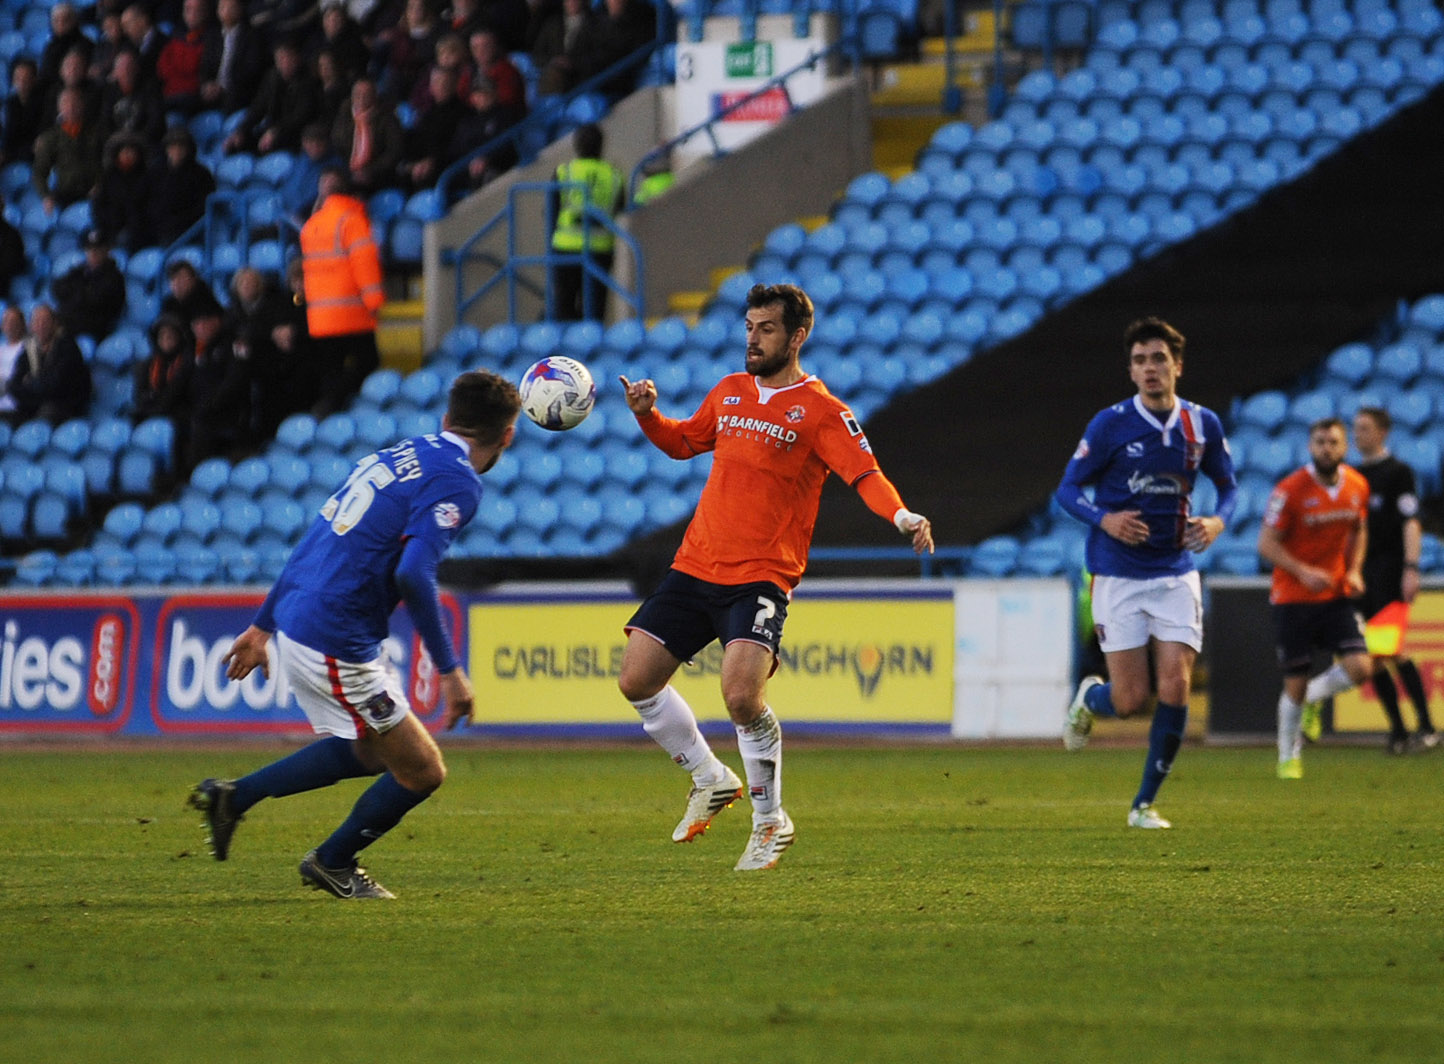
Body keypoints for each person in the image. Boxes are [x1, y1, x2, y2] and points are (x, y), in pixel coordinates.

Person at [616, 283, 934, 871]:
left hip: (761, 575)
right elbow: (685, 442)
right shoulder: (731, 392)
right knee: (635, 680)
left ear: (797, 336)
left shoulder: (823, 411)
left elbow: (864, 474)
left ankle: (770, 821)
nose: (753, 338)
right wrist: (647, 417)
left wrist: (901, 513)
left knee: (740, 696)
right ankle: (710, 778)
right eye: (749, 327)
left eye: (765, 328)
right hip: (696, 564)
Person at [188, 370, 521, 900]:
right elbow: (414, 573)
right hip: (335, 637)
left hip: (306, 619)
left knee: (368, 752)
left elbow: (320, 534)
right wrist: (450, 671)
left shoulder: (399, 453)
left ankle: (233, 797)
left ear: (446, 420)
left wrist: (262, 624)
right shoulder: (459, 480)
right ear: (508, 434)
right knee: (422, 771)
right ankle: (332, 861)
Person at [1058, 317, 1237, 829]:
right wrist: (1104, 518)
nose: (1149, 368)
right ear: (1131, 370)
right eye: (1139, 361)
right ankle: (1091, 698)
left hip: (1176, 572)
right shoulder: (1109, 424)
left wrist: (1218, 520)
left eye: (1158, 359)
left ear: (1177, 366)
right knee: (1130, 701)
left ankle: (1143, 805)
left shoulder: (1202, 424)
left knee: (1176, 685)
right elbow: (1068, 490)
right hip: (1117, 573)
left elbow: (1229, 486)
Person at [1257, 417, 1372, 780]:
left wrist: (1354, 569)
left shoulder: (1357, 485)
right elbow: (1266, 544)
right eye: (1320, 442)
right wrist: (1302, 570)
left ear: (1345, 447)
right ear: (1310, 447)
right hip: (1293, 597)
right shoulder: (1289, 490)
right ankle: (1287, 756)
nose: (1327, 448)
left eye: (1333, 442)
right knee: (1295, 680)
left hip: (1335, 594)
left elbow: (1359, 530)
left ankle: (1313, 699)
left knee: (1361, 668)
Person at [1351, 407, 1439, 754]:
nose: (1358, 435)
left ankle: (1424, 726)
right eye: (1355, 429)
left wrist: (1411, 567)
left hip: (1387, 570)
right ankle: (1401, 731)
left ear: (1383, 432)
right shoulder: (1353, 475)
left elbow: (1410, 521)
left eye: (1365, 429)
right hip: (1360, 572)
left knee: (1388, 649)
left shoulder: (1398, 473)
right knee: (1369, 653)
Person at [301, 167, 384, 417]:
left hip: (319, 316)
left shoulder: (311, 225)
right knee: (368, 363)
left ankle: (328, 411)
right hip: (351, 314)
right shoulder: (352, 221)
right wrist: (375, 302)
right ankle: (342, 408)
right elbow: (365, 265)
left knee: (331, 370)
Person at [549, 122, 623, 322]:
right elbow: (620, 210)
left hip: (565, 248)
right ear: (601, 146)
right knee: (595, 310)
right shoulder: (615, 175)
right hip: (600, 250)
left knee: (564, 308)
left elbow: (551, 211)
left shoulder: (564, 172)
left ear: (576, 146)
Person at [5, 303, 92, 425]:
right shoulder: (29, 349)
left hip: (63, 407)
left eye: (45, 321)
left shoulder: (67, 347)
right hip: (32, 405)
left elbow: (56, 384)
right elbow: (14, 384)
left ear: (55, 324)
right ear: (32, 326)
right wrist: (34, 387)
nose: (41, 326)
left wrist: (30, 381)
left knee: (46, 414)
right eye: (37, 322)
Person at [31, 86, 104, 212]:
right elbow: (40, 171)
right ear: (59, 107)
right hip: (64, 194)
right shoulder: (51, 137)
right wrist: (46, 196)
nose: (71, 107)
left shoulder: (98, 133)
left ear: (82, 105)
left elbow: (107, 163)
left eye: (75, 102)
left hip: (94, 193)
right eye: (66, 103)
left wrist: (100, 185)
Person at [332, 77, 406, 196]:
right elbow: (337, 141)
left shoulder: (388, 119)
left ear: (374, 96)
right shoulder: (345, 114)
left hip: (377, 173)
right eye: (358, 94)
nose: (361, 98)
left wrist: (370, 171)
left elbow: (394, 151)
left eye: (366, 94)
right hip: (347, 169)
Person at [51, 229, 127, 340]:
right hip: (69, 321)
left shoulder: (114, 277)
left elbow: (94, 301)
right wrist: (80, 292)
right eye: (89, 249)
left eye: (97, 249)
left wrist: (74, 293)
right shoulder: (80, 271)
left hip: (93, 329)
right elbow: (57, 288)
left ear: (106, 250)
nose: (93, 253)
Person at [147, 127, 216, 247]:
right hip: (157, 229)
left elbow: (204, 205)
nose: (176, 151)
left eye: (181, 147)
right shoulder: (156, 173)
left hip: (189, 230)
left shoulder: (201, 174)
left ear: (189, 149)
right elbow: (147, 200)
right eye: (172, 147)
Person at [0, 306, 28, 425]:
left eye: (14, 322)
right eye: (7, 322)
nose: (10, 325)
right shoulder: (1, 350)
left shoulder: (28, 348)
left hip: (15, 406)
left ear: (22, 325)